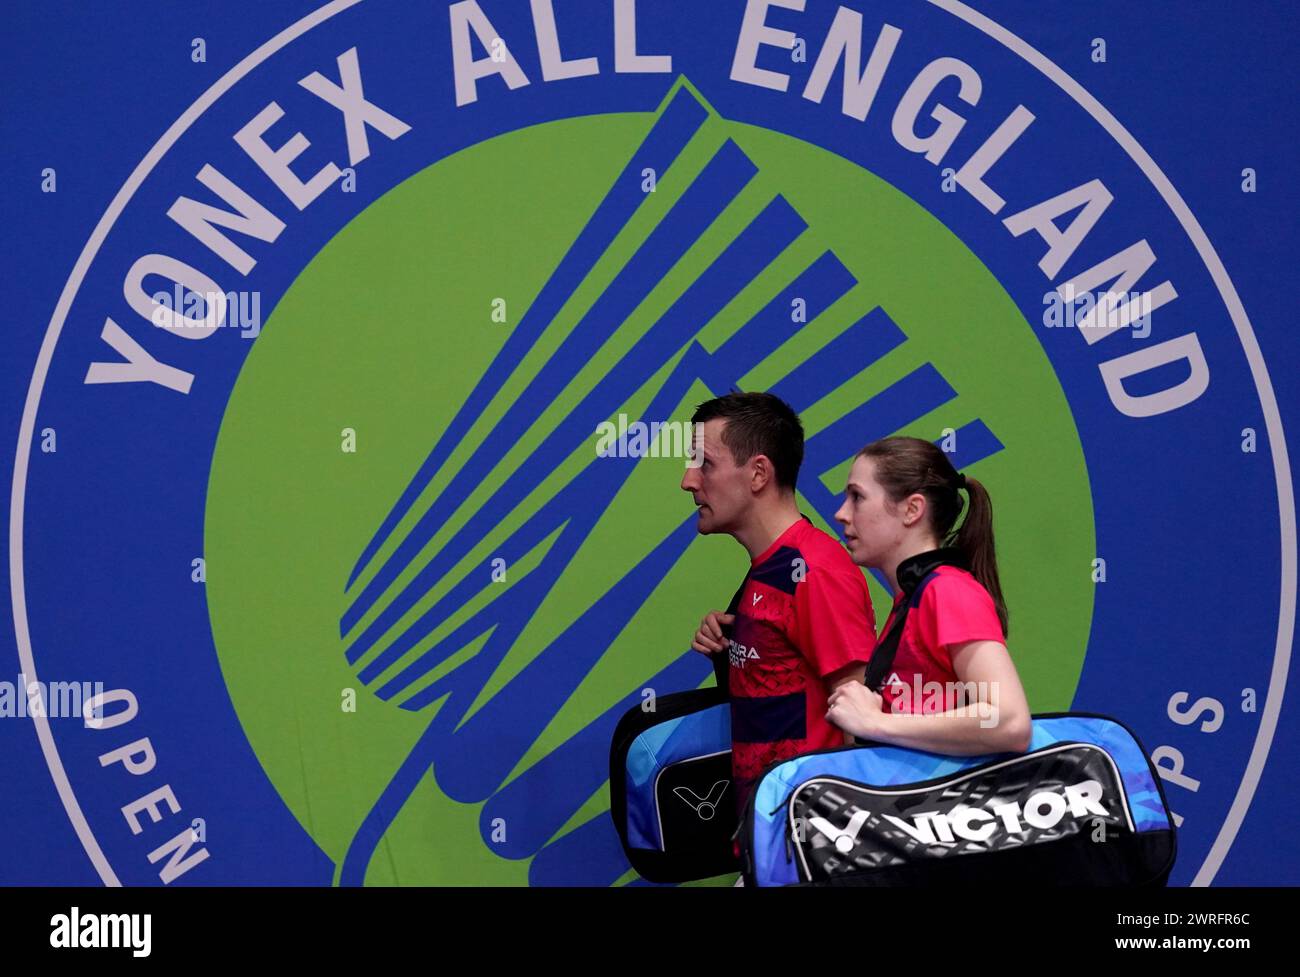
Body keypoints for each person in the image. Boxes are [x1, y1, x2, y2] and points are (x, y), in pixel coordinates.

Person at [681, 392, 878, 830]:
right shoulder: (768, 570)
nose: (689, 481)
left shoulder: (814, 570)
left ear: (758, 473)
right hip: (770, 837)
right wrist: (732, 648)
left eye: (704, 463)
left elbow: (863, 721)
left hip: (812, 842)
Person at [825, 436, 1032, 755]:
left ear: (912, 509)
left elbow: (1008, 721)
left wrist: (875, 721)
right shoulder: (913, 597)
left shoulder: (948, 591)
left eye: (857, 497)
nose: (841, 513)